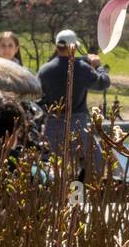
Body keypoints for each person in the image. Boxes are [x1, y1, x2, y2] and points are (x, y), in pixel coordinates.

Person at [38, 30, 111, 180]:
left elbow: (38, 99)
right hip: (79, 125)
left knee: (51, 169)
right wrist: (98, 66)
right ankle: (77, 195)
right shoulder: (81, 68)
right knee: (95, 163)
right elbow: (103, 82)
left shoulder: (45, 70)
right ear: (74, 47)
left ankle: (53, 199)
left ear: (57, 46)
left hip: (52, 126)